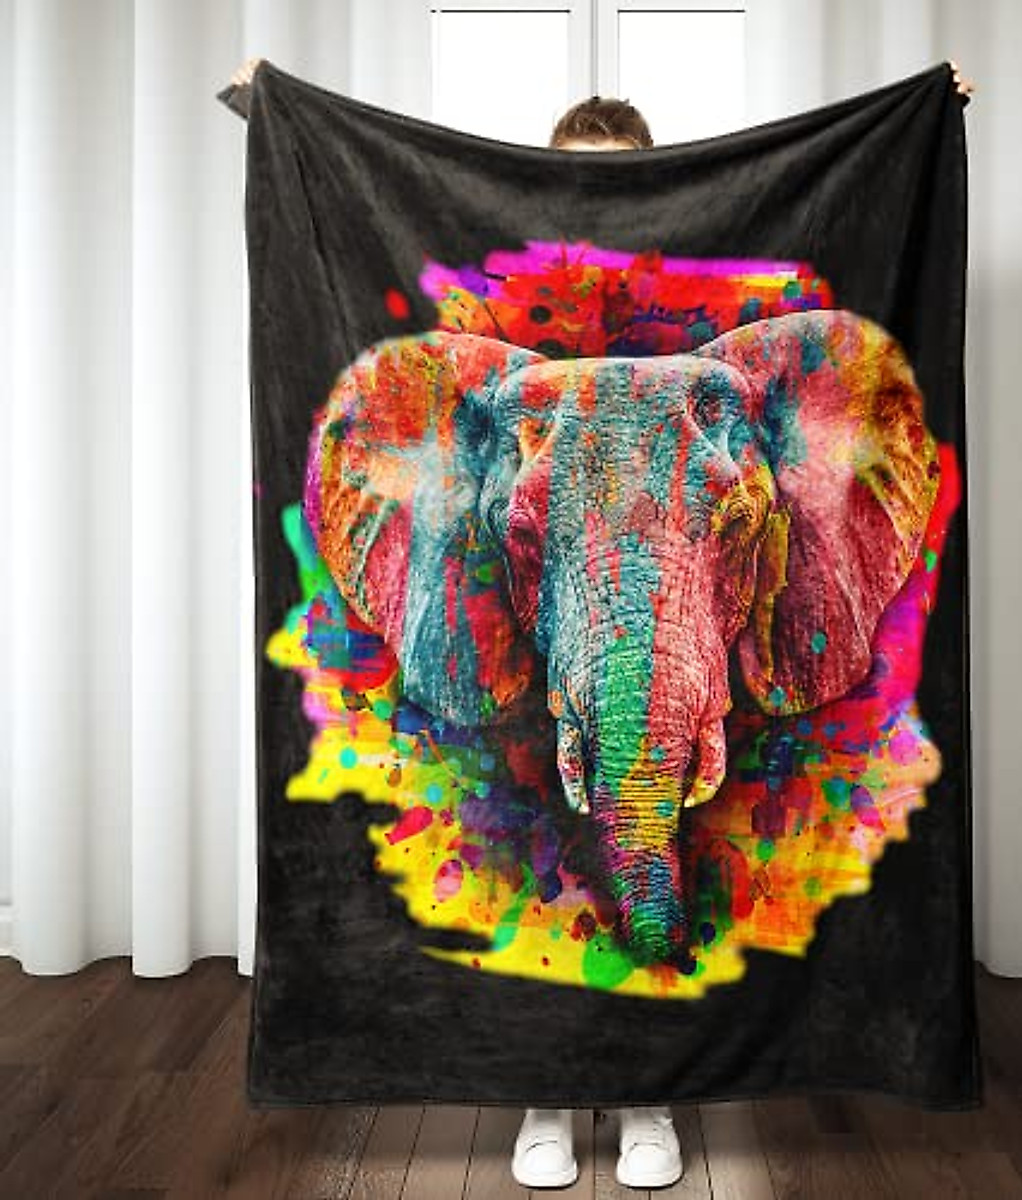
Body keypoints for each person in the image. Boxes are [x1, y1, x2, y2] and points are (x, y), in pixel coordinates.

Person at [223, 56, 974, 1194]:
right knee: (539, 890)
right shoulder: (512, 394)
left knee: (675, 881)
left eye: (624, 185)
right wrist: (282, 120)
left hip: (695, 655)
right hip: (541, 666)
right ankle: (543, 1087)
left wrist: (921, 127)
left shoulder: (716, 371)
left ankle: (652, 1095)